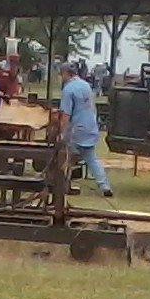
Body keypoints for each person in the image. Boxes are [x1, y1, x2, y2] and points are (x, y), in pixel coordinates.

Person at [58, 62, 112, 198]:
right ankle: (104, 185)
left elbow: (66, 114)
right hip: (90, 126)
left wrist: (62, 133)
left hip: (77, 129)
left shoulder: (68, 89)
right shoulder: (86, 85)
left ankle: (64, 185)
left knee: (66, 158)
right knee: (92, 159)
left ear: (65, 74)